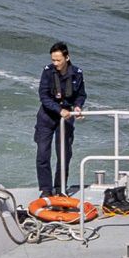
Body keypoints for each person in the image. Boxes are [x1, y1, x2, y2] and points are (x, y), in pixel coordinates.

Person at [35, 41, 87, 197]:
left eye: (58, 60)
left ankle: (60, 188)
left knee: (64, 154)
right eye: (53, 60)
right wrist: (59, 110)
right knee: (43, 154)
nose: (55, 63)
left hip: (66, 118)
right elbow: (44, 96)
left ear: (67, 58)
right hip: (47, 116)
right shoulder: (47, 72)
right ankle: (46, 189)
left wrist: (77, 106)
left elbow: (81, 95)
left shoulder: (77, 73)